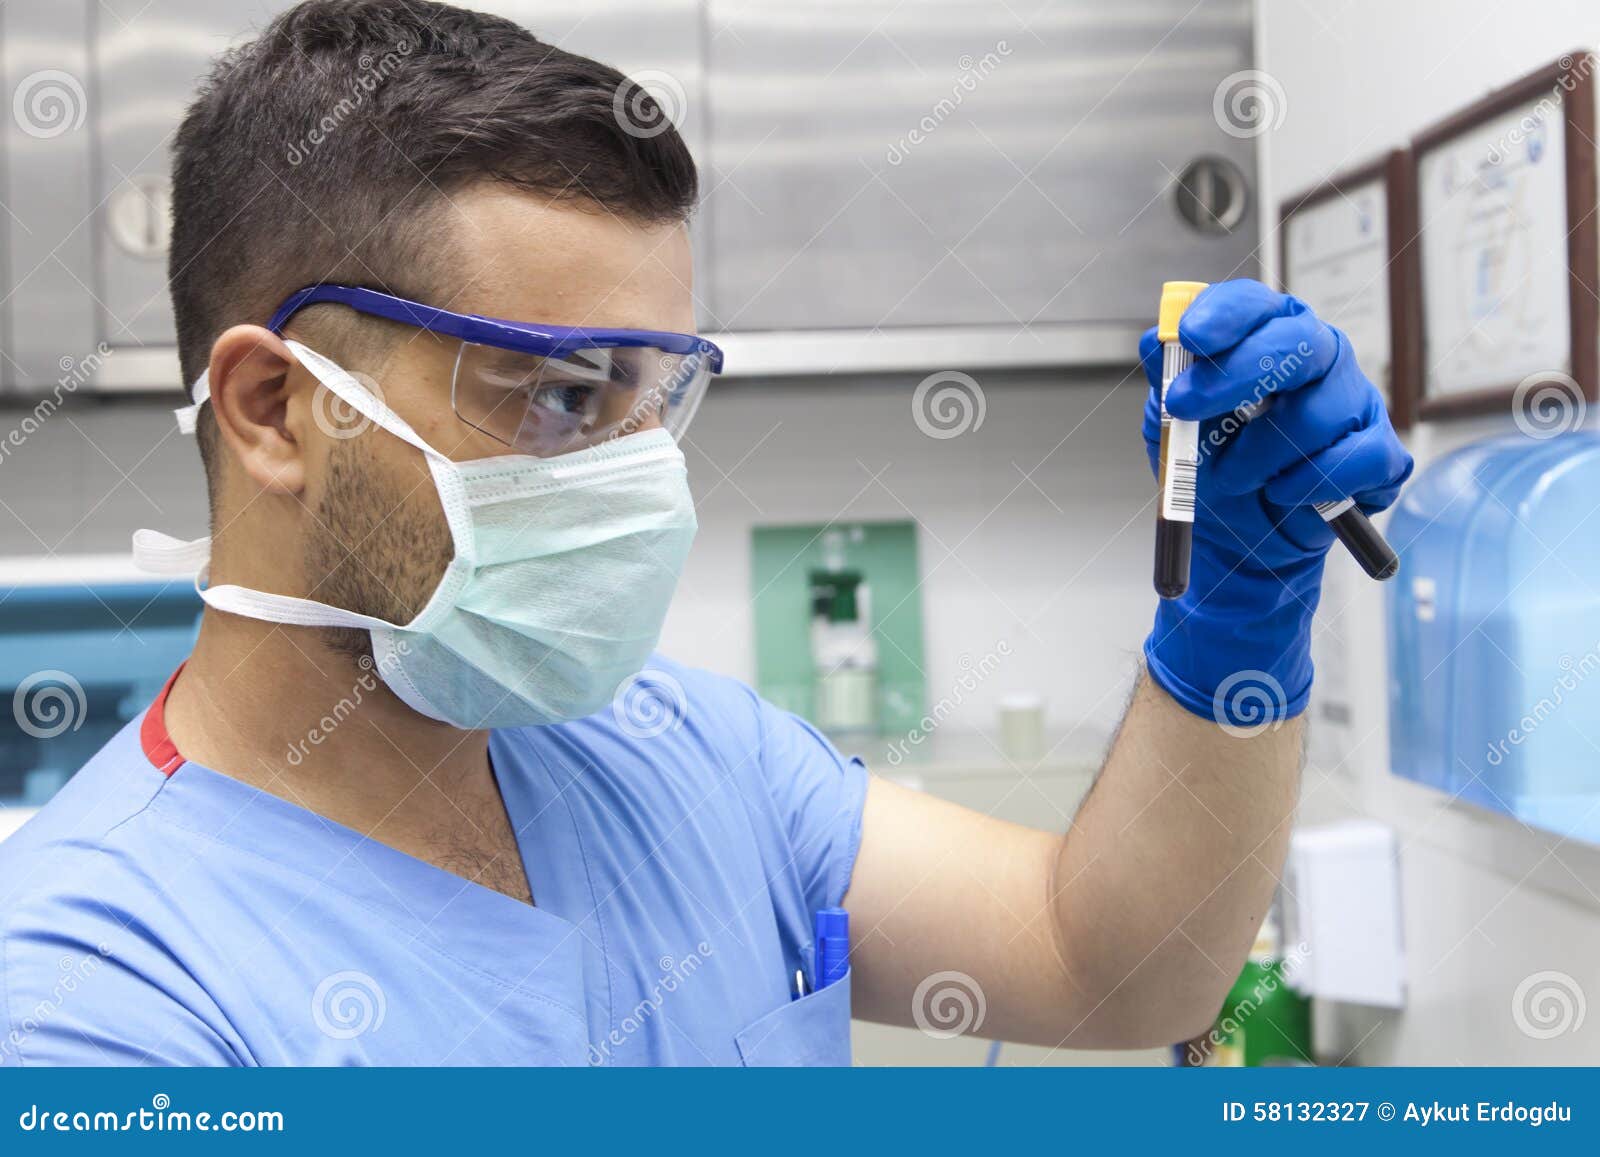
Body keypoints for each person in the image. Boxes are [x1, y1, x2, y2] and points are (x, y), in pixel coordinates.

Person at [0, 0, 1411, 1066]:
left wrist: (1238, 613)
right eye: (556, 394)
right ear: (272, 408)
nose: (640, 480)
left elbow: (1109, 962)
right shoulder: (100, 993)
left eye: (653, 394)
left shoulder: (682, 754)